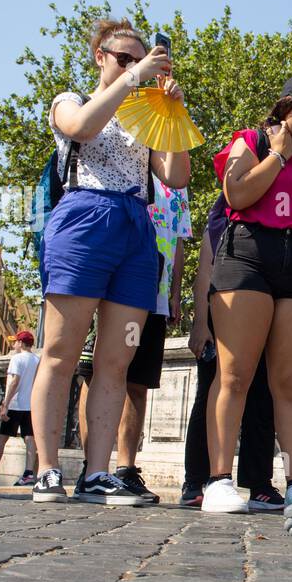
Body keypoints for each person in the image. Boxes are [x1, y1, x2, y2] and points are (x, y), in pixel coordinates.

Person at [28, 18, 190, 504]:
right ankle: (48, 469)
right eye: (123, 57)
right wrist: (133, 78)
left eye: (139, 58)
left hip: (138, 229)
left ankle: (97, 473)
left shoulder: (146, 115)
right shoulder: (70, 100)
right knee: (59, 353)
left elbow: (176, 176)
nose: (133, 65)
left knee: (115, 362)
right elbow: (81, 128)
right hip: (84, 216)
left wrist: (172, 114)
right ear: (101, 57)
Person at [204, 74, 292, 514]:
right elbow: (239, 192)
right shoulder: (251, 141)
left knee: (289, 383)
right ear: (282, 111)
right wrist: (281, 155)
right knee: (235, 374)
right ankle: (219, 481)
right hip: (248, 253)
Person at [180, 221, 280, 509]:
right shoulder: (222, 215)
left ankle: (259, 483)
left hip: (262, 309)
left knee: (262, 395)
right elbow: (205, 271)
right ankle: (196, 480)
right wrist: (200, 322)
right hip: (222, 310)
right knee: (210, 394)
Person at [110, 178, 190, 504]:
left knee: (138, 382)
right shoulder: (129, 168)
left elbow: (180, 243)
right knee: (103, 372)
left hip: (155, 298)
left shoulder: (179, 186)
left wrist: (174, 295)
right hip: (121, 290)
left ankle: (126, 468)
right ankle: (95, 465)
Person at [0, 331, 38, 485]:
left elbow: (14, 382)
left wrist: (5, 404)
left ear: (21, 343)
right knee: (29, 438)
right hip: (30, 405)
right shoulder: (37, 360)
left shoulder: (17, 358)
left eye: (15, 342)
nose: (13, 345)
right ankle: (28, 473)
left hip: (15, 404)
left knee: (2, 438)